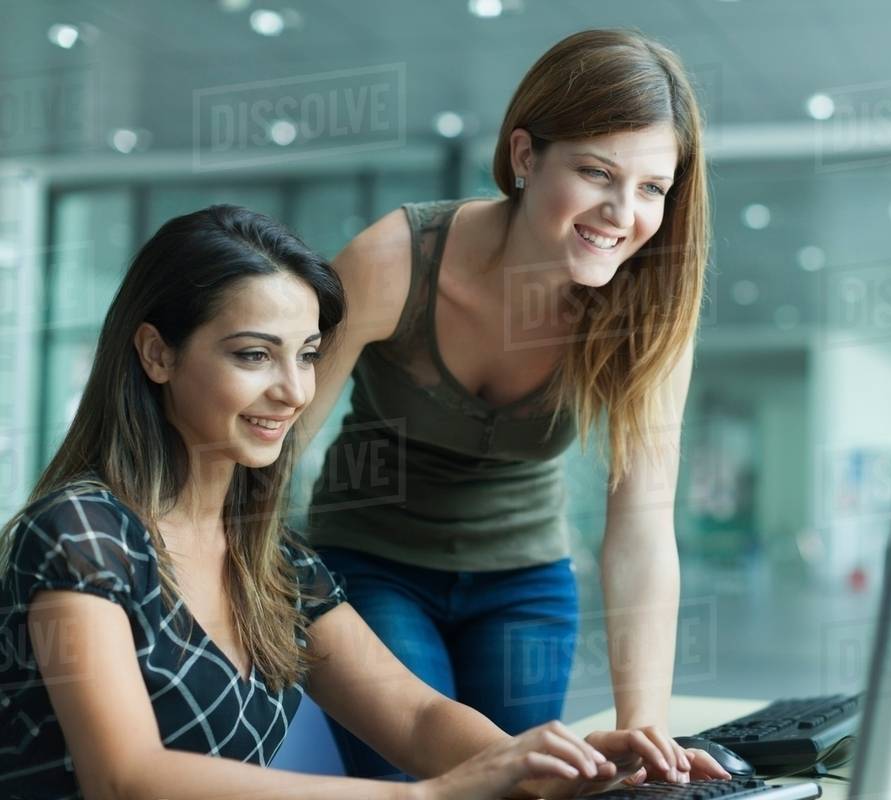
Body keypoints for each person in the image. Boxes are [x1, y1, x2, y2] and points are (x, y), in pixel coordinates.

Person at [0, 205, 728, 799]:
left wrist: (569, 771)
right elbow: (125, 779)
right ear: (157, 354)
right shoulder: (81, 533)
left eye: (309, 353)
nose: (293, 389)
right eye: (254, 354)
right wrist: (424, 797)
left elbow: (414, 717)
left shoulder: (268, 557)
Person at [299, 28, 709, 781]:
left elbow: (643, 527)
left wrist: (646, 730)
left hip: (524, 576)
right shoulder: (394, 261)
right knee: (422, 779)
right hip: (372, 560)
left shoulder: (648, 308)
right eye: (596, 173)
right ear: (525, 157)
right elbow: (277, 441)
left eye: (652, 188)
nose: (623, 213)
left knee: (530, 787)